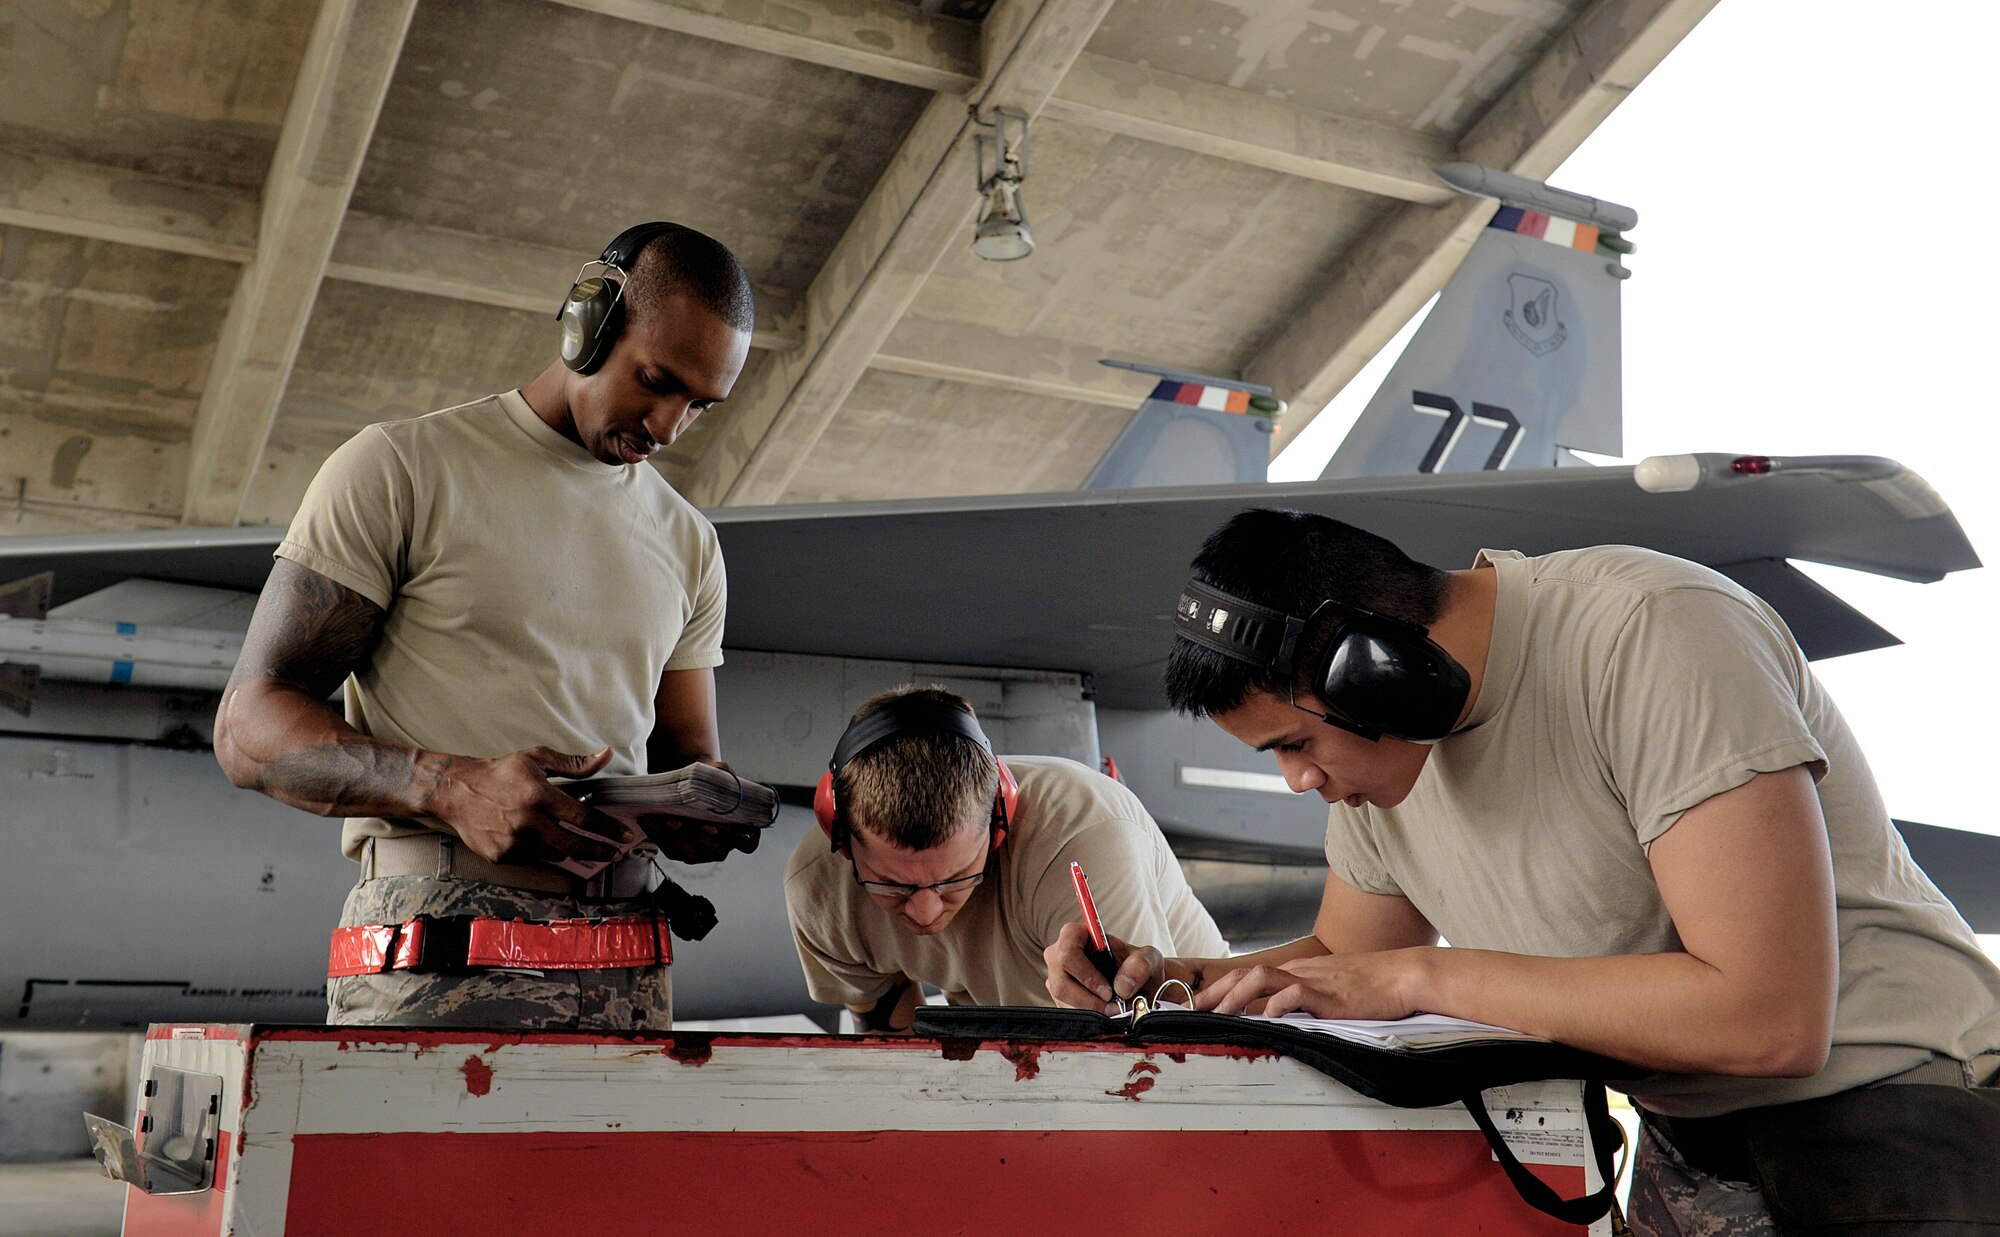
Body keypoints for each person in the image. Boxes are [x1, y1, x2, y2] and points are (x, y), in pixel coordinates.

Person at [1045, 507, 2000, 1235]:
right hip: (1692, 1139)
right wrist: (1167, 980)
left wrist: (1427, 976)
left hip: (1903, 1110)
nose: (1299, 780)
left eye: (1295, 743)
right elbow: (1343, 959)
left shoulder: (1652, 634)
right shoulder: (1384, 766)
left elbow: (1769, 1018)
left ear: (1377, 671)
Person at [214, 222, 760, 1031]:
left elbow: (687, 755)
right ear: (589, 322)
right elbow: (246, 728)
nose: (669, 425)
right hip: (436, 951)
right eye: (655, 380)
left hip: (627, 967)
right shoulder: (401, 470)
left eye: (699, 405)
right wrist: (449, 786)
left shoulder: (690, 544)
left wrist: (704, 806)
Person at [785, 686, 1226, 1031]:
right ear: (840, 837)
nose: (924, 912)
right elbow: (894, 1050)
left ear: (1001, 821)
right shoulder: (821, 887)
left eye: (955, 878)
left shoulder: (1080, 839)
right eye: (892, 885)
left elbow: (1146, 1052)